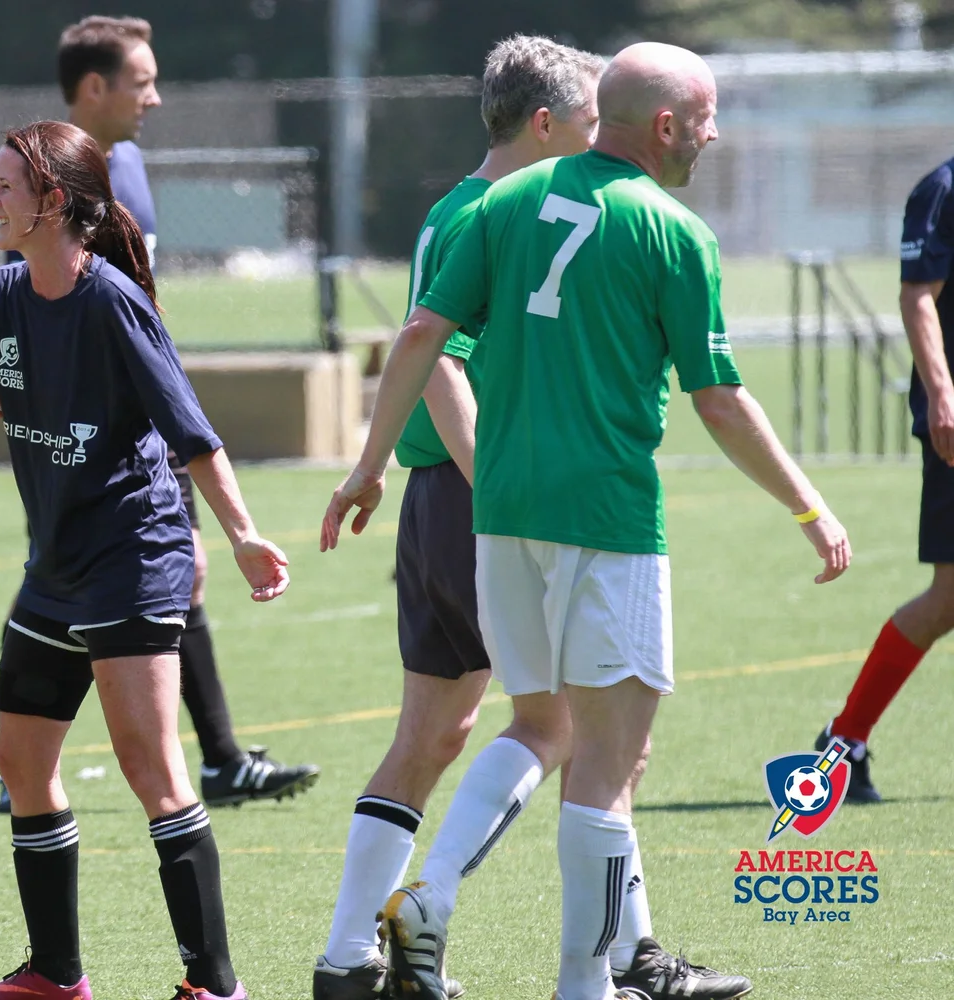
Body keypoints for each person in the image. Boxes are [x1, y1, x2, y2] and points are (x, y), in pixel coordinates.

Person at [324, 42, 850, 1000]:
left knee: (539, 727)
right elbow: (720, 400)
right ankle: (568, 975)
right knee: (607, 767)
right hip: (606, 518)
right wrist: (807, 504)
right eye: (706, 116)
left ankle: (464, 916)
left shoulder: (502, 203)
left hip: (500, 518)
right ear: (664, 125)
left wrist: (367, 467)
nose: (715, 132)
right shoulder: (673, 231)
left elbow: (419, 337)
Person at [0, 120, 289, 1000]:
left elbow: (193, 435)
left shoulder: (112, 303)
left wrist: (243, 534)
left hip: (133, 554)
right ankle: (56, 975)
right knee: (22, 761)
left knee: (153, 770)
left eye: (5, 188)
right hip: (55, 566)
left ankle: (215, 985)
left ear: (52, 202)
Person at [0, 15, 319, 813]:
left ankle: (218, 758)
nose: (156, 97)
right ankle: (32, 772)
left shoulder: (126, 165)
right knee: (90, 587)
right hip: (86, 445)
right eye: (141, 81)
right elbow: (39, 314)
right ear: (94, 87)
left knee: (183, 583)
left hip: (141, 426)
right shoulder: (46, 177)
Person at [816, 151, 954, 802]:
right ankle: (844, 740)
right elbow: (917, 298)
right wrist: (942, 396)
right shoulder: (941, 190)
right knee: (949, 597)